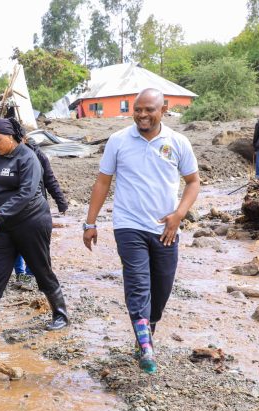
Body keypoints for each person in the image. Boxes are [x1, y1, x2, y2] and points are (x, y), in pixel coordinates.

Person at [83, 88, 200, 374]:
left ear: (164, 110)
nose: (142, 115)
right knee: (137, 283)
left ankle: (146, 333)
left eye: (149, 110)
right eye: (138, 109)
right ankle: (146, 347)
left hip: (165, 228)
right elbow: (102, 182)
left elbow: (193, 181)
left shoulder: (178, 142)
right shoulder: (118, 140)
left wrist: (178, 215)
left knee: (161, 289)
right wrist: (90, 223)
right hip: (128, 225)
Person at [0, 118, 67, 341]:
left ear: (11, 137)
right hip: (3, 227)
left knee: (41, 269)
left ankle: (60, 315)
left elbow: (26, 194)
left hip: (31, 223)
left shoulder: (28, 158)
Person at [15, 139, 68, 284]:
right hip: (13, 206)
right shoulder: (6, 155)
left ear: (23, 139)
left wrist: (61, 202)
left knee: (33, 242)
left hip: (35, 207)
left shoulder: (38, 155)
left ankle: (29, 275)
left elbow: (49, 179)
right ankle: (19, 274)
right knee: (15, 241)